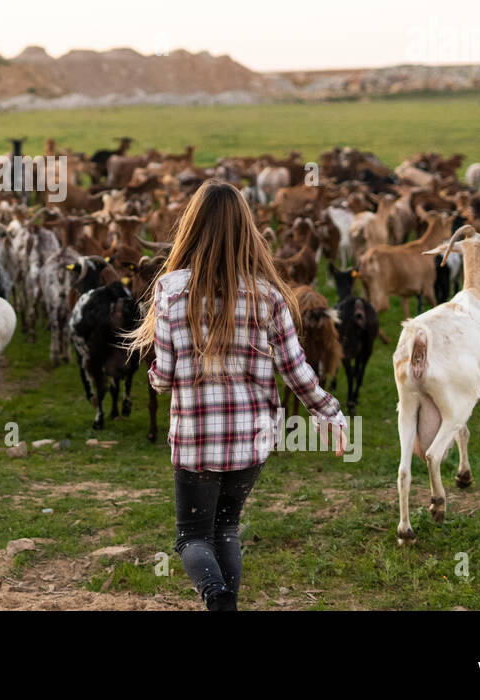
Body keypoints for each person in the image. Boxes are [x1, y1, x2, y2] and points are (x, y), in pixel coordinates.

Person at [128, 180, 348, 611]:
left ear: (192, 227)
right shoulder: (269, 294)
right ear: (247, 230)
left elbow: (167, 375)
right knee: (226, 528)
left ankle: (217, 599)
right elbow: (295, 370)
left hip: (195, 439)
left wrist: (155, 378)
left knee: (192, 537)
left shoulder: (171, 290)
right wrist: (331, 414)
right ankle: (225, 604)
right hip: (251, 438)